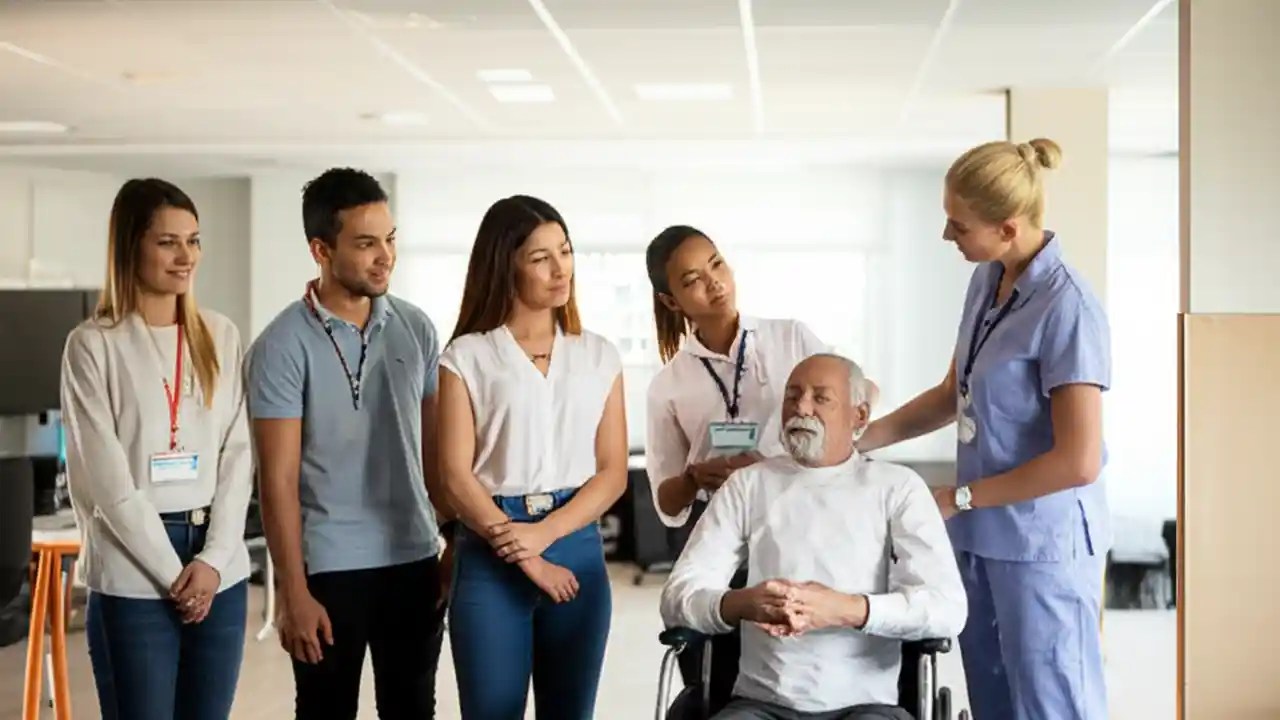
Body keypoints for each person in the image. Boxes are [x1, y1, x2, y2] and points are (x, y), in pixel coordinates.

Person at [858, 138, 1111, 720]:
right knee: (993, 698)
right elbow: (954, 394)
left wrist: (961, 497)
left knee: (1052, 704)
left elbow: (1079, 460)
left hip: (1041, 544)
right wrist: (858, 440)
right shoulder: (987, 280)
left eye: (958, 225)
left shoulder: (1067, 307)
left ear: (1007, 226)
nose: (948, 236)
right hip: (980, 534)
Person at [245, 168, 449, 719]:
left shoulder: (418, 329)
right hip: (328, 568)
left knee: (413, 710)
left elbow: (437, 458)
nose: (385, 256)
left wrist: (449, 542)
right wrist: (292, 592)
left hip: (413, 557)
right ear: (321, 249)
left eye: (390, 239)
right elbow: (278, 480)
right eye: (366, 243)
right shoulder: (280, 346)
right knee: (324, 711)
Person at [661, 354, 966, 720]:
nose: (801, 407)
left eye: (821, 398)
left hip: (867, 707)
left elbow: (947, 608)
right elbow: (677, 596)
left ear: (859, 416)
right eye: (793, 396)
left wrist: (848, 609)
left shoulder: (898, 488)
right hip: (760, 704)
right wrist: (741, 604)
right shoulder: (749, 484)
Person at [644, 225, 867, 709]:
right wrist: (693, 477)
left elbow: (857, 400)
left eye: (717, 264)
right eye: (693, 279)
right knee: (721, 682)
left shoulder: (790, 338)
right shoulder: (669, 384)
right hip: (716, 534)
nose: (715, 282)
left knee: (798, 668)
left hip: (800, 523)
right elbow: (667, 500)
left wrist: (775, 465)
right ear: (671, 301)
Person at [60, 178, 252, 720]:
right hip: (133, 567)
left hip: (219, 563)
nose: (185, 255)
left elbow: (238, 453)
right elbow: (108, 483)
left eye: (193, 240)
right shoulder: (93, 345)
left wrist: (213, 561)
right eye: (168, 241)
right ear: (130, 246)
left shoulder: (219, 333)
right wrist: (175, 576)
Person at [438, 195, 628, 720]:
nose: (559, 267)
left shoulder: (599, 355)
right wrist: (526, 556)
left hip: (577, 547)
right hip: (489, 551)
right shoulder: (466, 356)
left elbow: (612, 473)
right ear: (506, 264)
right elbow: (455, 476)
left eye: (564, 251)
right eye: (540, 256)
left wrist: (545, 535)